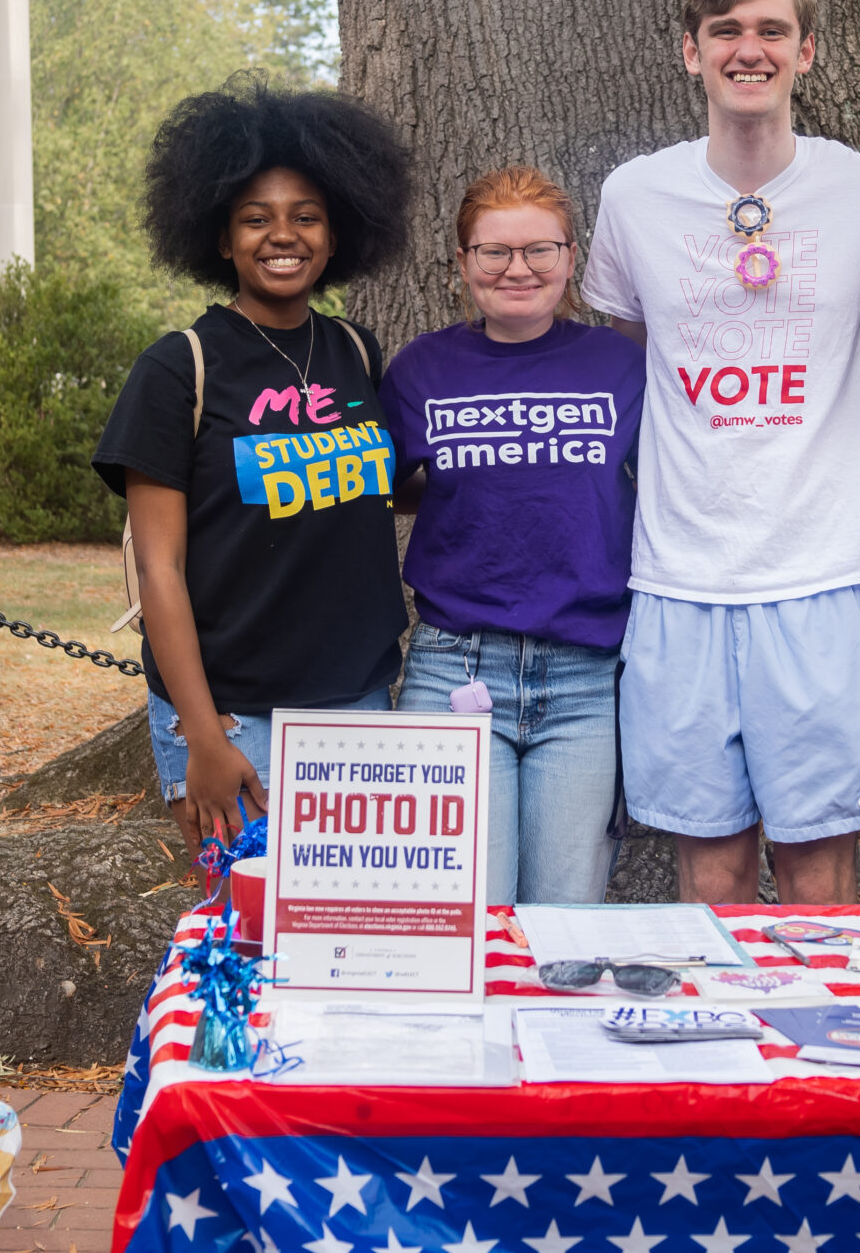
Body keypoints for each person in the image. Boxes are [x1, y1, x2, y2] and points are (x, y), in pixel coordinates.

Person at [583, 0, 860, 903]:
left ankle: (824, 1051)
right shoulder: (634, 196)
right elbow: (628, 349)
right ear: (691, 52)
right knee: (712, 871)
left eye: (772, 30)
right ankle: (728, 1051)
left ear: (806, 52)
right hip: (681, 577)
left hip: (822, 574)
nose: (749, 49)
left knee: (821, 871)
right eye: (725, 31)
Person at [91, 81, 415, 842]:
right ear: (220, 238)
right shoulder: (180, 368)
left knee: (348, 941)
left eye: (307, 217)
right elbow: (159, 570)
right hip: (235, 714)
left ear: (338, 236)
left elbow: (379, 488)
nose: (284, 235)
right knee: (246, 945)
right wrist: (203, 735)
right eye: (256, 218)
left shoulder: (356, 350)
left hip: (360, 699)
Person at [383, 166, 646, 904]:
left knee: (563, 917)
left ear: (571, 257)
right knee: (464, 916)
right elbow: (382, 489)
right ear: (463, 263)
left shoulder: (621, 366)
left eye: (540, 249)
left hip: (587, 676)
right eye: (492, 251)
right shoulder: (420, 370)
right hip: (454, 668)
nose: (517, 269)